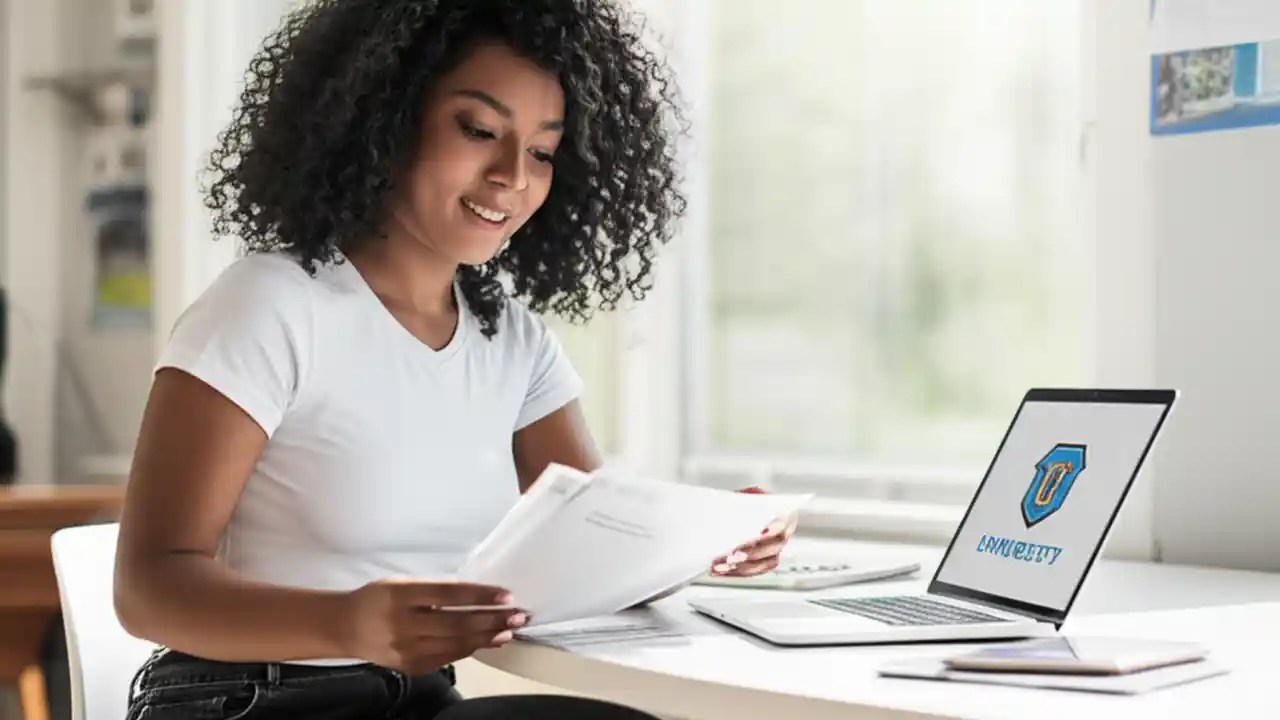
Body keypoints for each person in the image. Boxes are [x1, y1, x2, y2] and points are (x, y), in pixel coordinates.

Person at [113, 1, 796, 718]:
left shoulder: (513, 341)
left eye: (541, 152)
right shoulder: (269, 306)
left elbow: (601, 552)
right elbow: (148, 587)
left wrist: (707, 544)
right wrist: (346, 622)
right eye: (477, 130)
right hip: (250, 700)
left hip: (420, 702)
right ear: (385, 117)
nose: (511, 176)